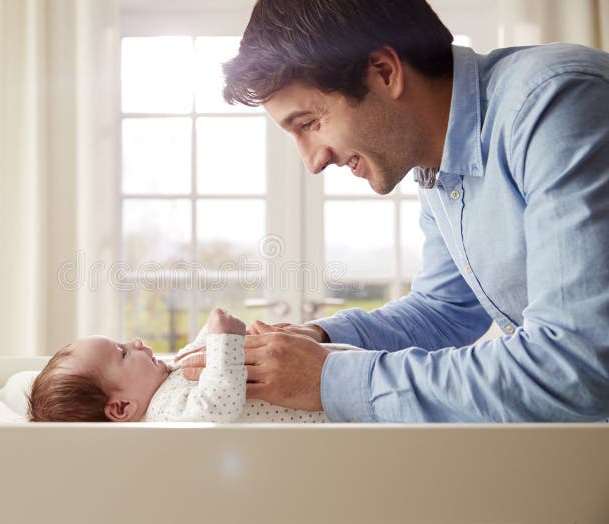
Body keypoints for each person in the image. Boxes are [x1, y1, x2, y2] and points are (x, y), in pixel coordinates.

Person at [180, 0, 609, 422]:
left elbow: (574, 362)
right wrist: (316, 339)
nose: (313, 161)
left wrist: (330, 378)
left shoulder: (556, 104)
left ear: (385, 72)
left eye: (310, 123)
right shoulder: (436, 159)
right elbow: (445, 310)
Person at [28, 307, 328, 423]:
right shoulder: (165, 413)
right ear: (121, 408)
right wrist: (223, 340)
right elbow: (216, 405)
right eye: (122, 354)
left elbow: (195, 353)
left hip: (324, 366)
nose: (134, 342)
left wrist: (214, 332)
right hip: (334, 412)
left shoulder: (165, 376)